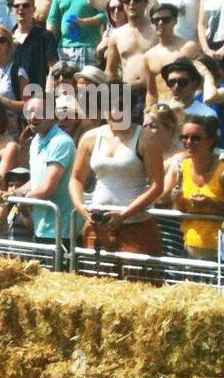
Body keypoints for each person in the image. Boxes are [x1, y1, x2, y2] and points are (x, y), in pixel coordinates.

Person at [69, 96, 167, 259]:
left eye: (120, 106)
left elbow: (157, 185)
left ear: (131, 109)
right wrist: (81, 208)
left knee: (137, 281)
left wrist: (124, 215)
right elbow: (76, 179)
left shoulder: (147, 138)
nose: (114, 111)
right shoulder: (90, 137)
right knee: (94, 280)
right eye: (109, 105)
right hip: (97, 225)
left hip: (137, 227)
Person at [164, 114, 224, 260]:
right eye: (184, 137)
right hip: (192, 248)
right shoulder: (183, 168)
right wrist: (177, 200)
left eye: (196, 138)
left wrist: (211, 204)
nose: (188, 142)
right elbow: (179, 211)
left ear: (210, 141)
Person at [13, 94, 77, 247]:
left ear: (53, 115)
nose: (33, 117)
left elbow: (47, 188)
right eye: (29, 112)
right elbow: (36, 182)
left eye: (39, 112)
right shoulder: (35, 141)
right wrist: (9, 194)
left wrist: (21, 200)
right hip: (41, 227)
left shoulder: (61, 142)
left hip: (61, 230)